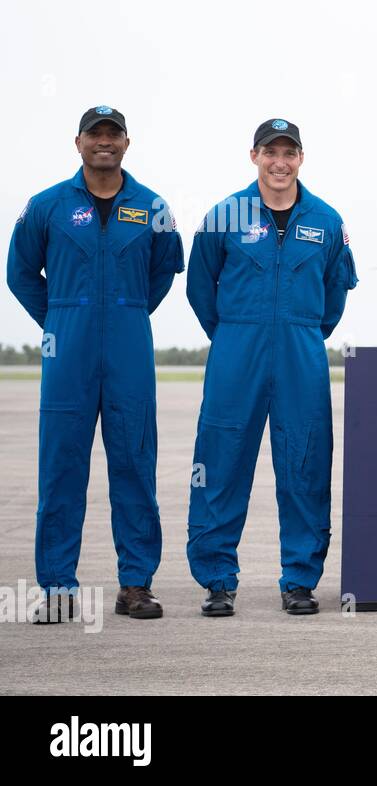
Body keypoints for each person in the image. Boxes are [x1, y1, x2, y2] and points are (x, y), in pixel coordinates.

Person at [7, 105, 184, 622]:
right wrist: (60, 320)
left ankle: (136, 586)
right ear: (78, 142)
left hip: (130, 347)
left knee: (135, 465)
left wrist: (124, 314)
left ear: (127, 143)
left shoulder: (151, 207)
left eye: (114, 135)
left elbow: (162, 274)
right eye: (95, 134)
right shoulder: (46, 206)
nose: (104, 142)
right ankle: (59, 589)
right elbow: (20, 274)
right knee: (61, 469)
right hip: (68, 351)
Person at [185, 118, 357, 617]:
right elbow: (201, 288)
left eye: (289, 152)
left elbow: (335, 296)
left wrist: (301, 332)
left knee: (305, 462)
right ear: (254, 155)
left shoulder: (327, 221)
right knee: (220, 464)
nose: (279, 161)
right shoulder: (224, 216)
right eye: (270, 151)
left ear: (301, 158)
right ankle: (217, 580)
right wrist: (234, 333)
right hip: (236, 348)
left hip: (302, 349)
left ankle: (300, 580)